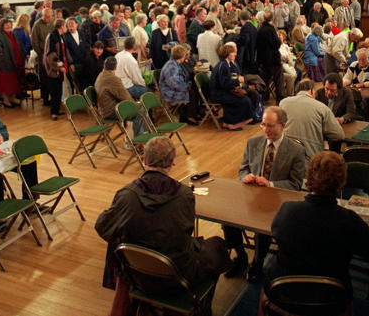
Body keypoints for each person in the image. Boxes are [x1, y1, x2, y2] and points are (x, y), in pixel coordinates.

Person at [96, 136, 231, 293]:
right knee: (218, 245)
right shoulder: (184, 195)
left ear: (144, 159)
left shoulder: (126, 195)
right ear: (172, 161)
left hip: (138, 274)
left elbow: (102, 227)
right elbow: (185, 233)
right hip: (178, 276)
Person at [265, 151, 369, 303]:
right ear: (342, 181)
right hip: (330, 298)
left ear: (308, 177)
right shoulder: (349, 220)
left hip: (283, 293)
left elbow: (276, 234)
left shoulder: (287, 210)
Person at [223, 106, 306, 282]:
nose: (266, 130)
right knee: (227, 220)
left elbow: (296, 184)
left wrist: (271, 184)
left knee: (263, 228)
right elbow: (243, 168)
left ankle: (257, 262)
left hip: (278, 201)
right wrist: (246, 177)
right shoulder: (253, 143)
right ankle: (241, 256)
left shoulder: (295, 150)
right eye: (263, 125)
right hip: (252, 197)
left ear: (283, 126)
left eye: (270, 126)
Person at [279, 79, 344, 158]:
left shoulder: (283, 103)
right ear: (312, 91)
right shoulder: (322, 108)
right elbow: (339, 135)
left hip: (285, 156)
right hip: (311, 160)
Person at [94, 57, 147, 137]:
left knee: (138, 108)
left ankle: (137, 136)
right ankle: (139, 139)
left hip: (103, 109)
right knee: (140, 109)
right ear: (116, 67)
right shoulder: (113, 79)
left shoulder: (100, 76)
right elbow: (126, 97)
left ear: (104, 66)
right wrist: (135, 104)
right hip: (111, 112)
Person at [210, 43, 255, 130]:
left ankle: (228, 122)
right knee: (244, 100)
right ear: (228, 53)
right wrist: (237, 80)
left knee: (241, 98)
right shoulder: (223, 65)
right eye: (233, 52)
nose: (235, 54)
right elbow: (224, 84)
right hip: (218, 94)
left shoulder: (224, 64)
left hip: (219, 92)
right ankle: (232, 124)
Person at [159, 45, 200, 125]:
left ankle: (189, 114)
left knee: (194, 89)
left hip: (173, 88)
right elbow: (174, 84)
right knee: (191, 93)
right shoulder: (171, 66)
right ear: (182, 56)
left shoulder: (174, 63)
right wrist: (187, 85)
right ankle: (189, 116)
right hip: (169, 92)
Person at [0, 18, 24, 108]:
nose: (9, 26)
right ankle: (6, 101)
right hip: (5, 64)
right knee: (5, 84)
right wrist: (1, 52)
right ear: (2, 26)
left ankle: (11, 99)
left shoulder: (12, 34)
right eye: (6, 24)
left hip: (14, 62)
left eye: (10, 24)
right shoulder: (0, 35)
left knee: (13, 83)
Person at [255, 11, 284, 102]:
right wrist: (280, 40)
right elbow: (276, 44)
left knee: (265, 80)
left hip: (262, 59)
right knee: (278, 80)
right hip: (273, 59)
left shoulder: (260, 28)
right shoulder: (271, 29)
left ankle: (264, 98)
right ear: (273, 19)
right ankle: (279, 98)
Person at [43, 19, 67, 119]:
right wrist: (59, 66)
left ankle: (57, 110)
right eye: (65, 25)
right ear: (61, 26)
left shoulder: (61, 36)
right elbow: (50, 54)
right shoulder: (52, 36)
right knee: (54, 91)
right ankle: (53, 112)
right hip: (53, 69)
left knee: (59, 91)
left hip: (60, 68)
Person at [31, 8, 55, 106]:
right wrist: (41, 54)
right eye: (45, 16)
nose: (47, 18)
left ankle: (54, 96)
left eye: (49, 16)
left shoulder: (53, 23)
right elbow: (34, 41)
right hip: (42, 54)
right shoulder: (37, 25)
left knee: (53, 76)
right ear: (42, 15)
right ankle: (45, 98)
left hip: (53, 54)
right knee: (44, 77)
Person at [277, 30, 298, 96]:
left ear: (283, 37)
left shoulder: (285, 46)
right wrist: (286, 58)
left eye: (280, 35)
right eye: (277, 35)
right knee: (292, 76)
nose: (278, 37)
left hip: (288, 64)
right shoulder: (276, 47)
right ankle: (290, 94)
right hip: (281, 66)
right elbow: (281, 57)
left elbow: (290, 55)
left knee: (298, 72)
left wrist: (290, 58)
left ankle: (294, 90)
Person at [237, 10, 258, 74]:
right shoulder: (253, 26)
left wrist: (237, 39)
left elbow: (244, 40)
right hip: (252, 52)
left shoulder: (245, 27)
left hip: (247, 54)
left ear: (240, 18)